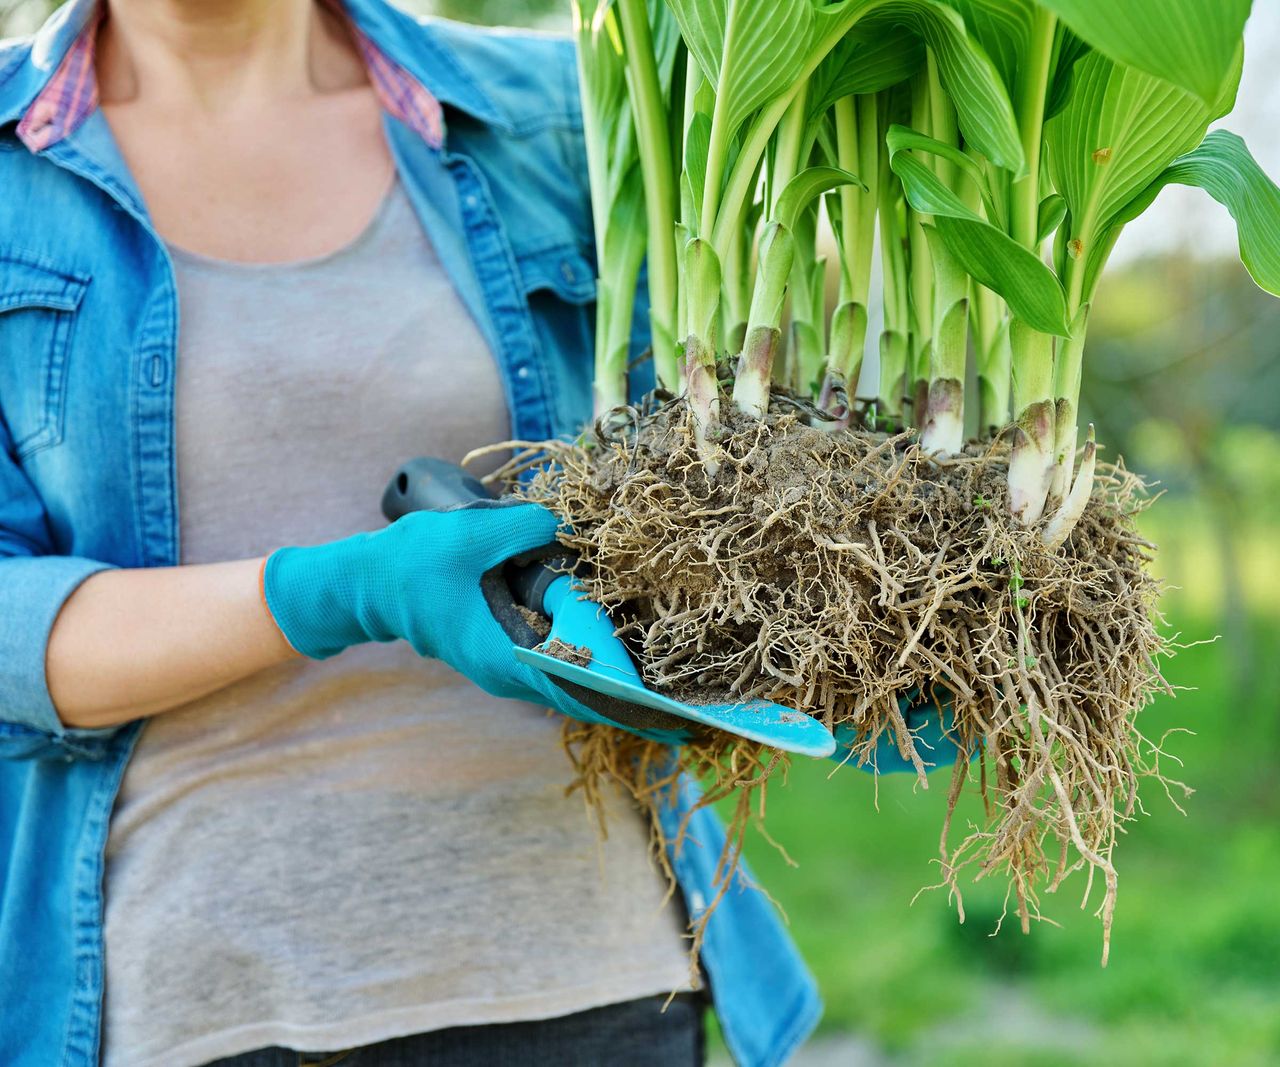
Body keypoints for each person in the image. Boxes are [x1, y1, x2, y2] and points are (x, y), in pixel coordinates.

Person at [0, 0, 824, 1064]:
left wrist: (829, 638)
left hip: (585, 965)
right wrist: (336, 592)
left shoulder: (560, 114)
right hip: (206, 997)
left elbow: (692, 456)